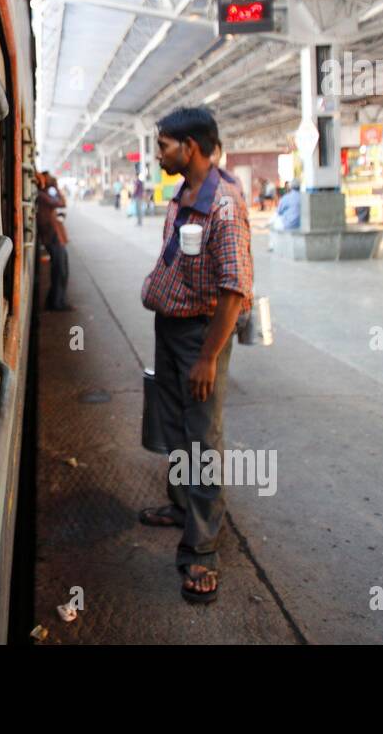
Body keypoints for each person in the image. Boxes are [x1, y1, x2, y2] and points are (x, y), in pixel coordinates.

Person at [137, 106, 252, 605]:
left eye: (163, 145)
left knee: (203, 438)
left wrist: (208, 358)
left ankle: (202, 552)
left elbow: (234, 291)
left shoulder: (223, 206)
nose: (157, 153)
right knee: (180, 426)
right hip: (172, 327)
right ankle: (182, 505)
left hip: (201, 336)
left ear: (190, 147)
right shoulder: (184, 195)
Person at [37, 171, 74, 311]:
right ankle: (56, 303)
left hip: (55, 237)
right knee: (59, 271)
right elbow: (62, 203)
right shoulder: (42, 196)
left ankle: (57, 301)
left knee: (61, 270)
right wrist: (57, 187)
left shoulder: (44, 195)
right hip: (52, 238)